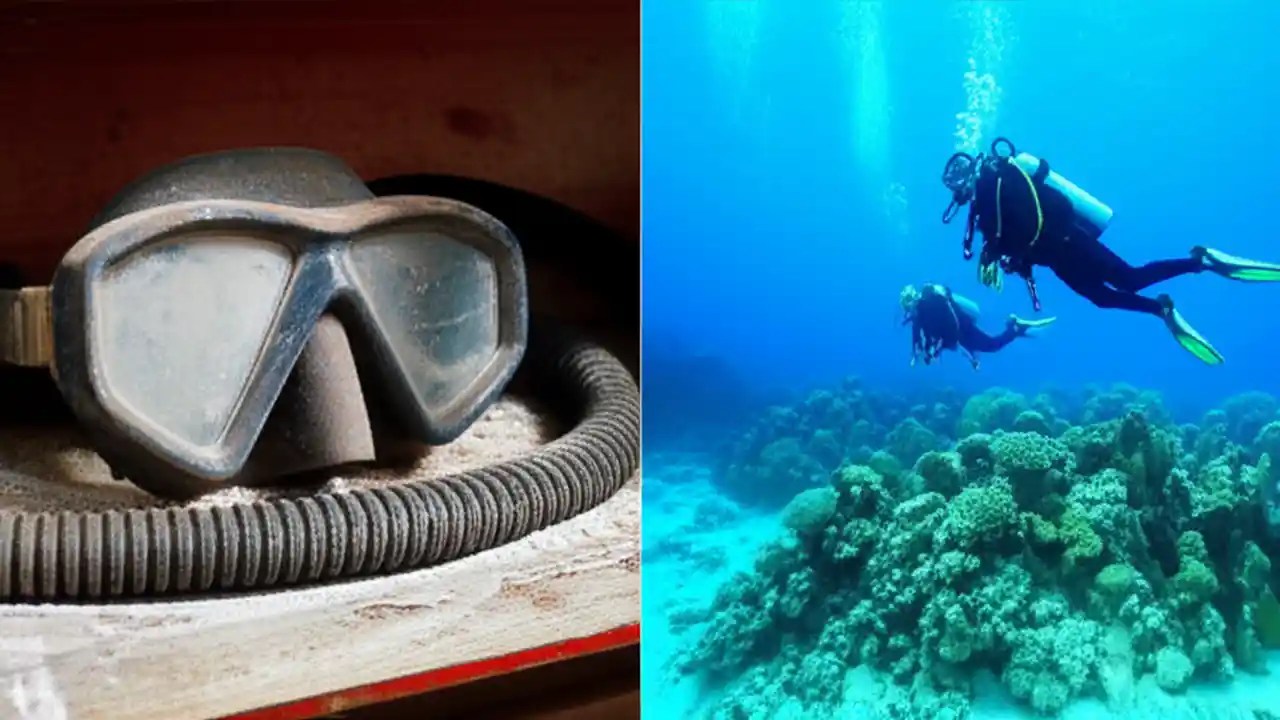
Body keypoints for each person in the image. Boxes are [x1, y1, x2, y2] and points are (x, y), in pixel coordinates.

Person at [940, 137, 1280, 365]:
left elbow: (1029, 221)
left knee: (1129, 279)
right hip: (1058, 259)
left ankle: (1201, 261)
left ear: (970, 171)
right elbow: (1018, 242)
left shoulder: (1000, 183)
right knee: (1103, 299)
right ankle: (1161, 309)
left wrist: (1000, 251)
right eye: (953, 184)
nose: (959, 189)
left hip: (1070, 241)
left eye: (959, 179)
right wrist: (1009, 260)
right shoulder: (984, 209)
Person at [900, 283, 1055, 369]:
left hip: (963, 327)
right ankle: (1015, 328)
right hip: (958, 335)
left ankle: (1015, 327)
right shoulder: (919, 316)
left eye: (908, 301)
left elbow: (951, 323)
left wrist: (964, 352)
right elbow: (921, 336)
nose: (909, 307)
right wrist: (921, 354)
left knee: (993, 345)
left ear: (914, 297)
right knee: (992, 346)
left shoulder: (932, 302)